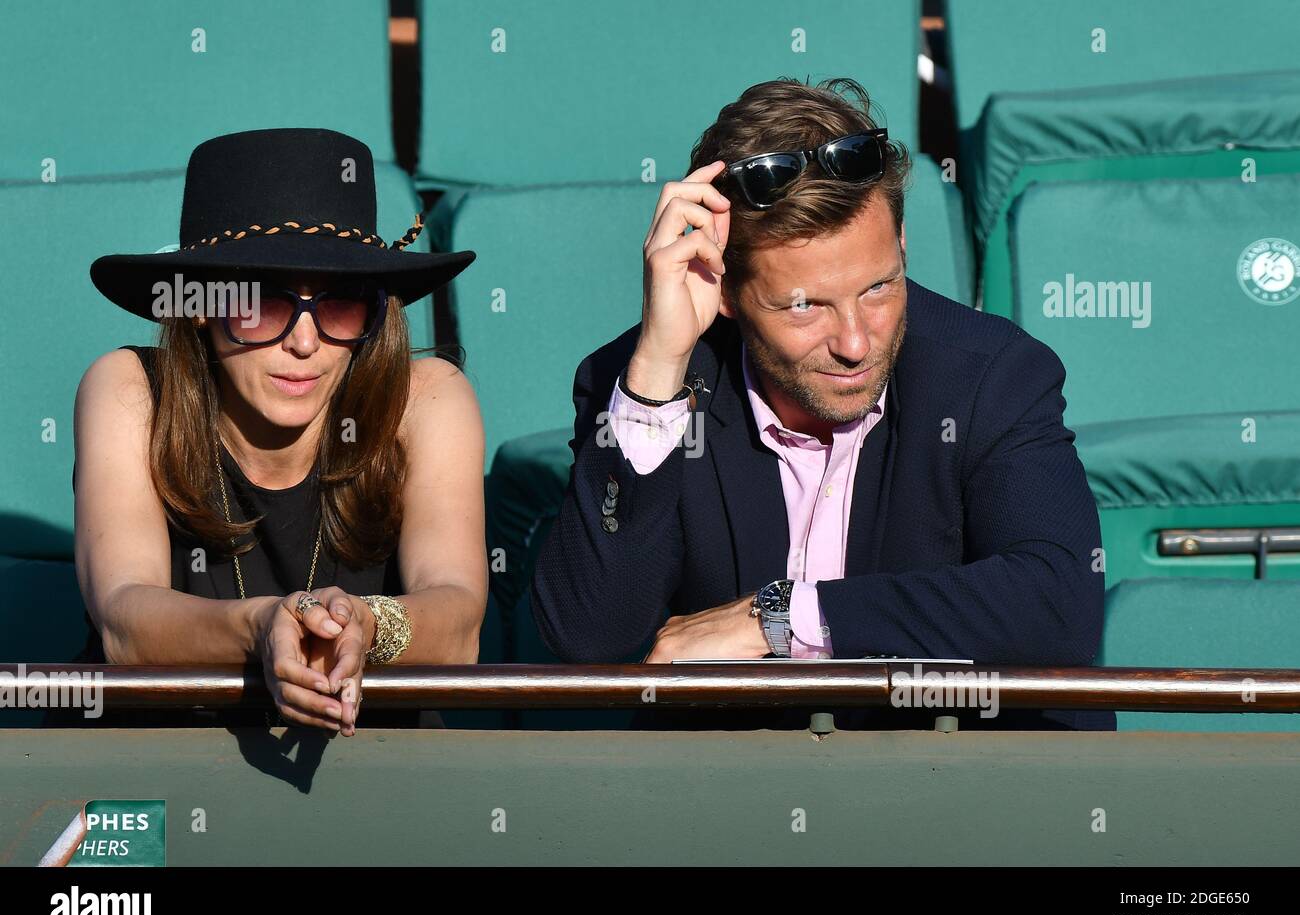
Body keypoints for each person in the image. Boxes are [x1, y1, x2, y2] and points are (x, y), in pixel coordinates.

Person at [531, 78, 1113, 731]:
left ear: (903, 249)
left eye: (879, 288)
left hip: (958, 795)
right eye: (804, 308)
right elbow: (589, 634)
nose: (857, 342)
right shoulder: (647, 381)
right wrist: (657, 373)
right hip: (736, 804)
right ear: (720, 286)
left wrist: (782, 619)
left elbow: (1058, 603)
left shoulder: (993, 373)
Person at [72, 128, 487, 733]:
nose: (304, 340)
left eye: (342, 303)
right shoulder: (130, 390)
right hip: (162, 763)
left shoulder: (424, 399)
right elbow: (124, 623)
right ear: (200, 308)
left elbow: (459, 625)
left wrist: (367, 625)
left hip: (374, 776)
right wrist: (261, 626)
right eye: (262, 303)